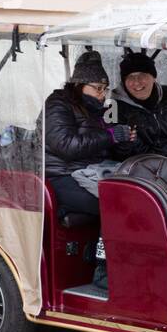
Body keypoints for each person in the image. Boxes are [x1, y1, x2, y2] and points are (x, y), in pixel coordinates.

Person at [44, 50, 136, 218]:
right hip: (63, 175)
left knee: (138, 198)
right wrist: (111, 136)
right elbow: (66, 145)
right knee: (112, 205)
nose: (102, 94)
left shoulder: (102, 109)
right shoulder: (57, 104)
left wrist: (124, 142)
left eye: (105, 89)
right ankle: (102, 244)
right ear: (80, 84)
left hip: (96, 172)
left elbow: (111, 151)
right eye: (98, 88)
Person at [112, 48, 167, 157]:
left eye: (142, 75)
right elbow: (119, 151)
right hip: (144, 166)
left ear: (154, 77)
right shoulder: (114, 105)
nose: (136, 82)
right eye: (130, 77)